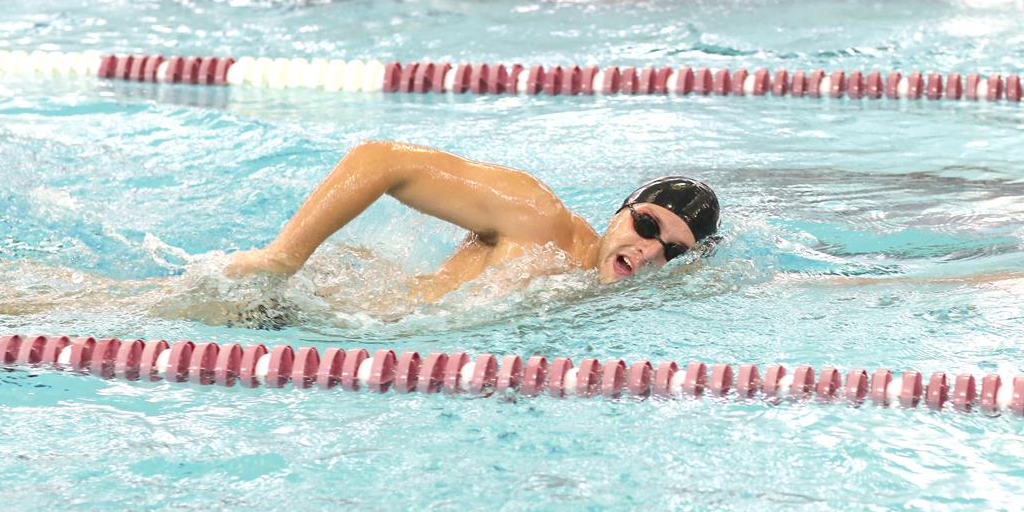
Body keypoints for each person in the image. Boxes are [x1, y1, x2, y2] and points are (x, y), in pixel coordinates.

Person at [225, 141, 721, 304]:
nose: (651, 251)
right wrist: (282, 258)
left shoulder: (613, 294)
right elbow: (379, 160)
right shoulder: (538, 219)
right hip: (289, 308)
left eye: (673, 251)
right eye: (649, 227)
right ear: (620, 212)